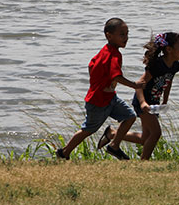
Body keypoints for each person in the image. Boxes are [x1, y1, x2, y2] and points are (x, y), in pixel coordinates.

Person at [56, 17, 143, 161]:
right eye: (122, 34)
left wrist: (100, 82)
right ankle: (64, 152)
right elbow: (116, 76)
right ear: (109, 36)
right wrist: (135, 85)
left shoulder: (105, 50)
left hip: (110, 98)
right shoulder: (114, 54)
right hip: (98, 102)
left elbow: (91, 65)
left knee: (130, 117)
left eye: (127, 34)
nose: (126, 38)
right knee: (88, 130)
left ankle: (113, 146)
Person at [117, 31, 179, 160]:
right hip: (143, 102)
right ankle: (144, 162)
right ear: (169, 49)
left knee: (145, 138)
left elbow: (168, 82)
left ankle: (112, 133)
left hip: (153, 103)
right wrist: (143, 102)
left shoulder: (175, 65)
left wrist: (164, 101)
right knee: (155, 133)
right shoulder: (157, 65)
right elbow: (139, 85)